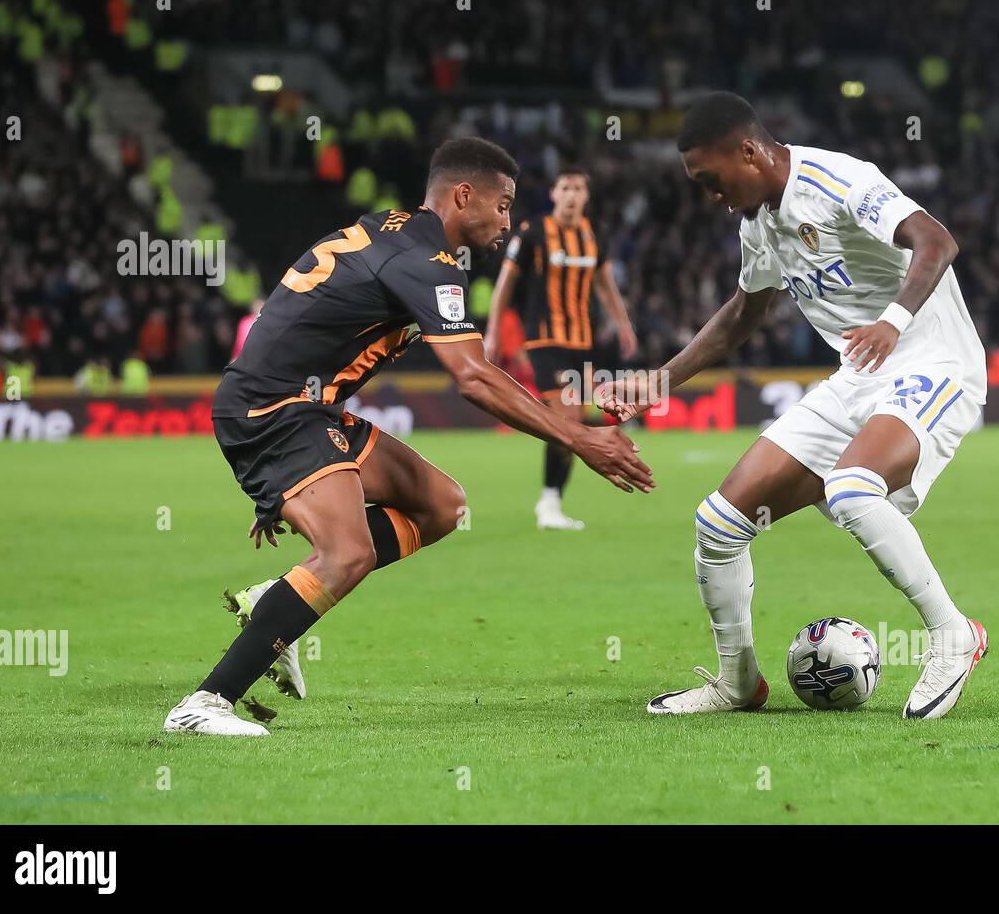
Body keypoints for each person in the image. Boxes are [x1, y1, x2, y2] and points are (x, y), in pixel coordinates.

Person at [164, 138, 653, 736]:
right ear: (463, 195)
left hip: (304, 410)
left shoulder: (393, 232)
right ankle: (204, 704)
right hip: (274, 411)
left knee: (442, 505)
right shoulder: (424, 260)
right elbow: (474, 379)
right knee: (349, 555)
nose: (507, 220)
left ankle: (280, 599)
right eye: (501, 205)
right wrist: (582, 440)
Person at [599, 93, 987, 720]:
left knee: (853, 490)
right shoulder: (758, 222)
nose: (711, 195)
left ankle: (952, 635)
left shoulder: (839, 180)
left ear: (748, 151)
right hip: (858, 377)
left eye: (711, 179)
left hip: (933, 363)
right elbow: (741, 318)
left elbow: (935, 242)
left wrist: (891, 321)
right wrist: (660, 382)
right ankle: (738, 683)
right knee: (718, 527)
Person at [484, 167, 637, 530]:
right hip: (544, 340)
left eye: (578, 188)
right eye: (565, 187)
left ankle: (552, 502)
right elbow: (506, 283)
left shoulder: (593, 235)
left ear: (586, 196)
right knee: (568, 420)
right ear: (553, 194)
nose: (571, 194)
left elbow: (604, 284)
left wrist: (624, 324)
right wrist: (493, 331)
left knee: (575, 421)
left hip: (581, 342)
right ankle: (549, 504)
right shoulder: (533, 232)